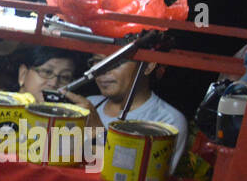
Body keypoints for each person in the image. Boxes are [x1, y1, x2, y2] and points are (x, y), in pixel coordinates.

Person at [61, 44, 189, 174]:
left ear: (148, 66)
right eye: (98, 62)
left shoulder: (166, 121)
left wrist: (98, 133)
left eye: (115, 62)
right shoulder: (90, 103)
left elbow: (142, 179)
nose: (102, 71)